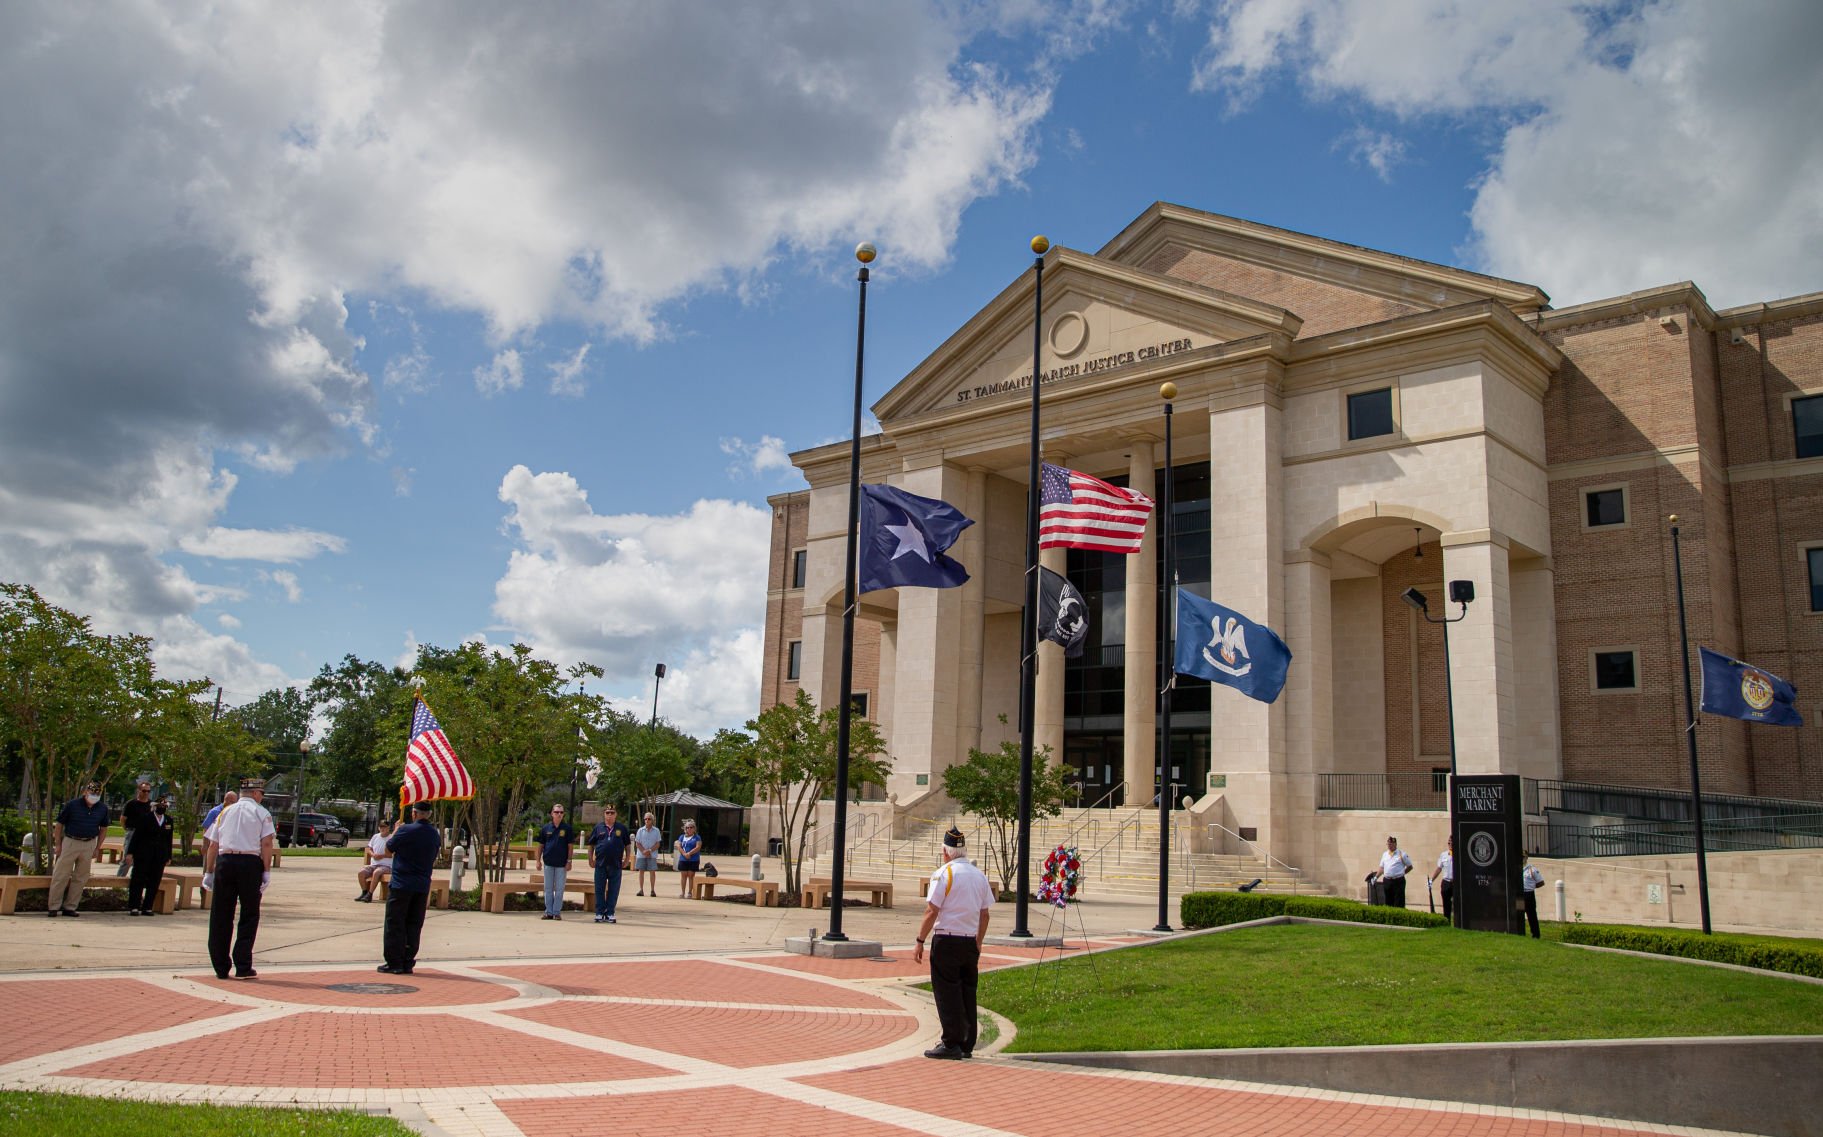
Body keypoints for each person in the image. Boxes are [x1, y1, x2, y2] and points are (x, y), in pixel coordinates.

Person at [912, 826, 995, 1060]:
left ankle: (950, 1042)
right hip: (969, 941)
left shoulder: (944, 874)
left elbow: (932, 910)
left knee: (947, 992)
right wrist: (978, 941)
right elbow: (985, 914)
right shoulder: (979, 875)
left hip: (947, 940)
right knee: (968, 991)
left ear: (945, 852)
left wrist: (920, 940)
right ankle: (967, 1042)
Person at [202, 777, 276, 980]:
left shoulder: (225, 812)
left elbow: (213, 844)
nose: (261, 797)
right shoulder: (262, 813)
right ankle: (242, 965)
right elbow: (267, 844)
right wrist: (266, 870)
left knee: (221, 914)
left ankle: (220, 965)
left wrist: (209, 871)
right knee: (249, 914)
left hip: (225, 862)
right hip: (249, 863)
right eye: (261, 793)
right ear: (255, 793)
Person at [377, 801, 441, 974]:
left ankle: (394, 961)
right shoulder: (434, 834)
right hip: (421, 884)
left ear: (413, 813)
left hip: (402, 882)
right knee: (414, 924)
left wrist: (396, 831)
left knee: (395, 922)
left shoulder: (405, 831)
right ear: (429, 815)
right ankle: (408, 960)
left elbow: (388, 850)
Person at [46, 782, 110, 918]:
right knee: (61, 875)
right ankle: (53, 907)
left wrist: (97, 847)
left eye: (97, 793)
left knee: (80, 877)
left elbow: (103, 829)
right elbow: (59, 825)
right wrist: (58, 844)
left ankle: (70, 907)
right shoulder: (73, 805)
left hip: (89, 843)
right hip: (70, 841)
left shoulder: (102, 808)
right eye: (92, 792)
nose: (95, 795)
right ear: (85, 792)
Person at [127, 794, 174, 915]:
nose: (162, 807)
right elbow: (136, 836)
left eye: (164, 806)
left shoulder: (168, 820)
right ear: (155, 806)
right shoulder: (145, 818)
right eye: (160, 805)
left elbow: (169, 840)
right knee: (138, 879)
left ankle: (147, 907)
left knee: (154, 880)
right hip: (143, 854)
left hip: (159, 855)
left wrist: (168, 856)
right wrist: (130, 853)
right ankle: (134, 906)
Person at [587, 805, 631, 923]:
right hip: (600, 864)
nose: (610, 815)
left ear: (616, 814)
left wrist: (627, 859)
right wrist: (590, 859)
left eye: (612, 812)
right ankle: (600, 912)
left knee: (614, 889)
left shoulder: (621, 828)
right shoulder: (598, 827)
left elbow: (627, 845)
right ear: (604, 814)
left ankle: (610, 912)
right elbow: (591, 844)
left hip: (616, 864)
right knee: (599, 889)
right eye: (607, 813)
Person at [536, 803, 576, 920]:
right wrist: (538, 860)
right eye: (556, 812)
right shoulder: (546, 828)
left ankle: (556, 912)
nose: (559, 814)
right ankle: (548, 912)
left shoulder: (567, 829)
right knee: (548, 889)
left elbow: (570, 846)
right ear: (551, 814)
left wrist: (569, 861)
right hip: (548, 863)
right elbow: (540, 845)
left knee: (559, 889)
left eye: (561, 812)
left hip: (561, 864)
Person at [118, 780, 153, 877]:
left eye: (148, 791)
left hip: (145, 835)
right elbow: (123, 819)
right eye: (144, 791)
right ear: (139, 790)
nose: (146, 793)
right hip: (132, 832)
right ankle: (118, 882)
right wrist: (128, 830)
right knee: (127, 859)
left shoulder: (151, 805)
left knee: (142, 859)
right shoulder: (131, 804)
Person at [1371, 834, 1414, 909]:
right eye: (1388, 844)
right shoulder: (1385, 854)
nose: (1389, 846)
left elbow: (1410, 866)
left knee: (1398, 902)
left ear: (1395, 844)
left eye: (1391, 844)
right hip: (1387, 881)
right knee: (1388, 902)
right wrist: (1376, 877)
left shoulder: (1402, 854)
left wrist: (1402, 873)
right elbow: (1382, 868)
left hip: (1398, 881)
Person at [356, 819, 395, 901]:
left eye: (385, 827)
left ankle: (370, 894)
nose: (382, 829)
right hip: (374, 864)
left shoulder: (391, 838)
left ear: (388, 828)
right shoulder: (375, 836)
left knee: (377, 872)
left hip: (387, 866)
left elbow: (393, 854)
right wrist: (373, 854)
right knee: (361, 873)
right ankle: (364, 892)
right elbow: (369, 848)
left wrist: (382, 856)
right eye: (381, 827)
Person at [633, 812, 662, 897]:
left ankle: (652, 890)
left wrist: (649, 851)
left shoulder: (656, 831)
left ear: (652, 820)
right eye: (645, 819)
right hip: (641, 855)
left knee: (652, 872)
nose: (647, 820)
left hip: (652, 855)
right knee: (641, 872)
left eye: (649, 819)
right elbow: (637, 843)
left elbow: (658, 844)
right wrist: (643, 851)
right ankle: (641, 890)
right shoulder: (640, 830)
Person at [673, 818, 702, 899]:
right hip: (683, 859)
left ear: (694, 828)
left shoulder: (697, 837)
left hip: (693, 859)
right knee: (683, 875)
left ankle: (690, 892)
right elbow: (678, 846)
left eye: (691, 827)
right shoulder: (681, 837)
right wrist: (684, 853)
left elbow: (698, 847)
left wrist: (690, 853)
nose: (689, 829)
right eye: (687, 827)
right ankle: (682, 892)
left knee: (691, 875)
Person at [1429, 835, 1454, 921]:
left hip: (1456, 882)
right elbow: (1439, 868)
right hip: (1446, 882)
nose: (1450, 844)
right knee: (1446, 903)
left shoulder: (1459, 854)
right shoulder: (1443, 855)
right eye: (1449, 842)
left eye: (1451, 842)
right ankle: (1447, 920)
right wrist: (1432, 880)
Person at [1521, 851, 1545, 938]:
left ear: (1527, 857)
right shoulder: (1516, 868)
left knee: (1531, 915)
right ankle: (1520, 933)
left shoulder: (1532, 869)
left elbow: (1541, 882)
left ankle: (1535, 935)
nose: (1522, 858)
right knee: (1519, 914)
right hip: (1520, 895)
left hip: (1529, 894)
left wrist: (1531, 887)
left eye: (1523, 857)